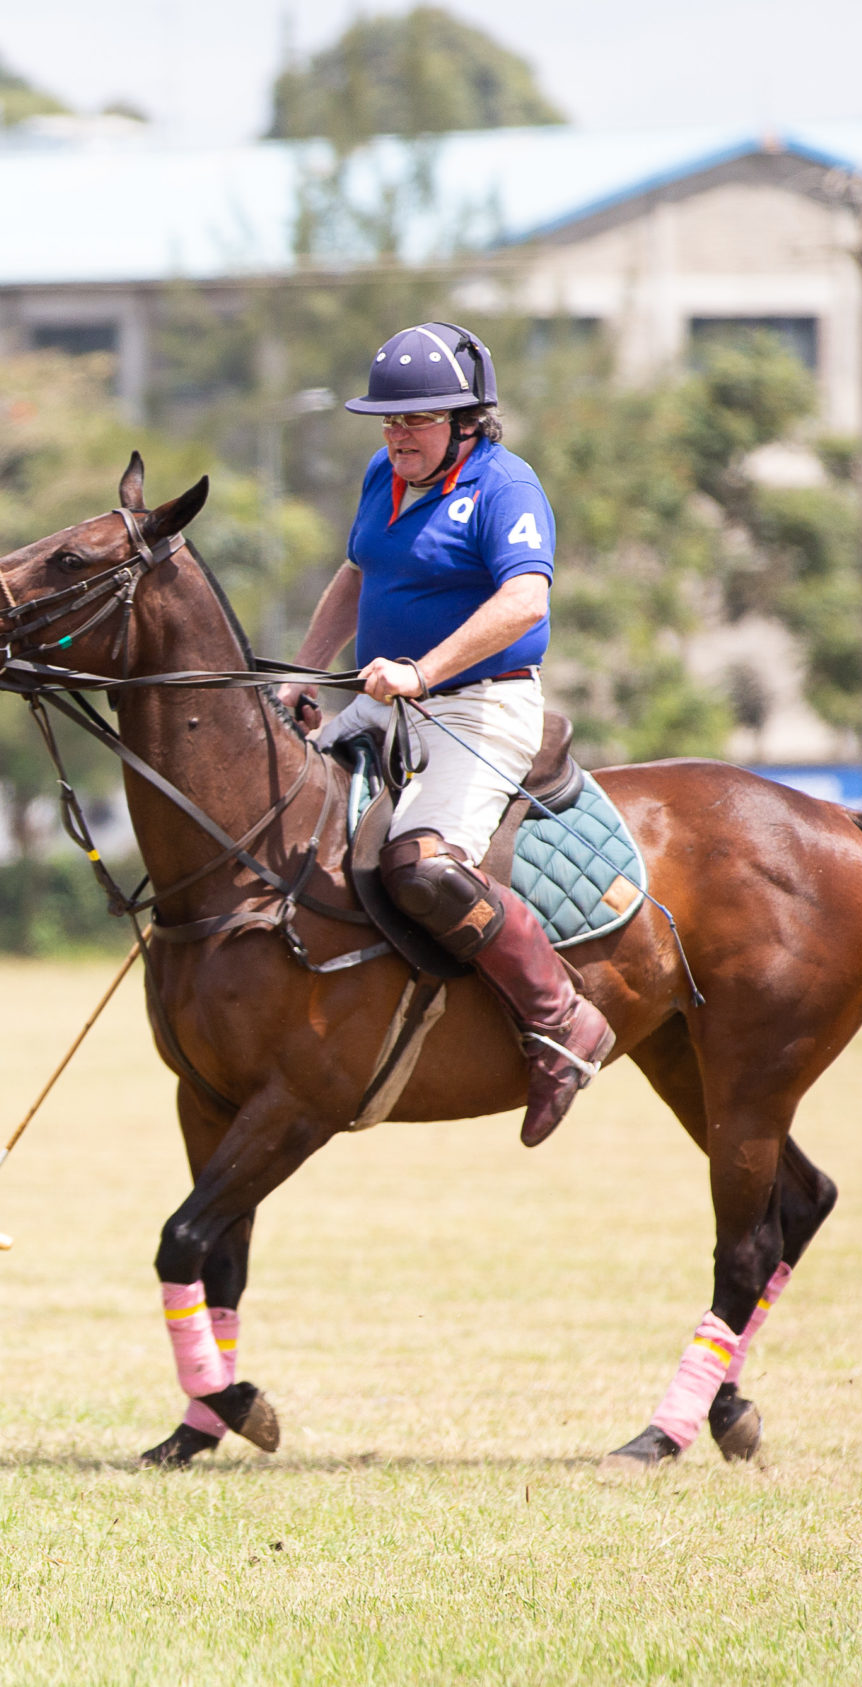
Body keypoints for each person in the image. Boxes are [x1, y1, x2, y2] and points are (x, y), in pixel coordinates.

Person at [276, 321, 615, 1147]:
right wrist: (302, 672)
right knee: (279, 807)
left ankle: (563, 1017)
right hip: (390, 702)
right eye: (388, 421)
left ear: (468, 421)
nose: (398, 435)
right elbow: (357, 573)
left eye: (416, 420)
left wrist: (422, 671)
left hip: (479, 707)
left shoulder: (506, 486)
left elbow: (526, 601)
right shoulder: (379, 478)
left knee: (423, 868)